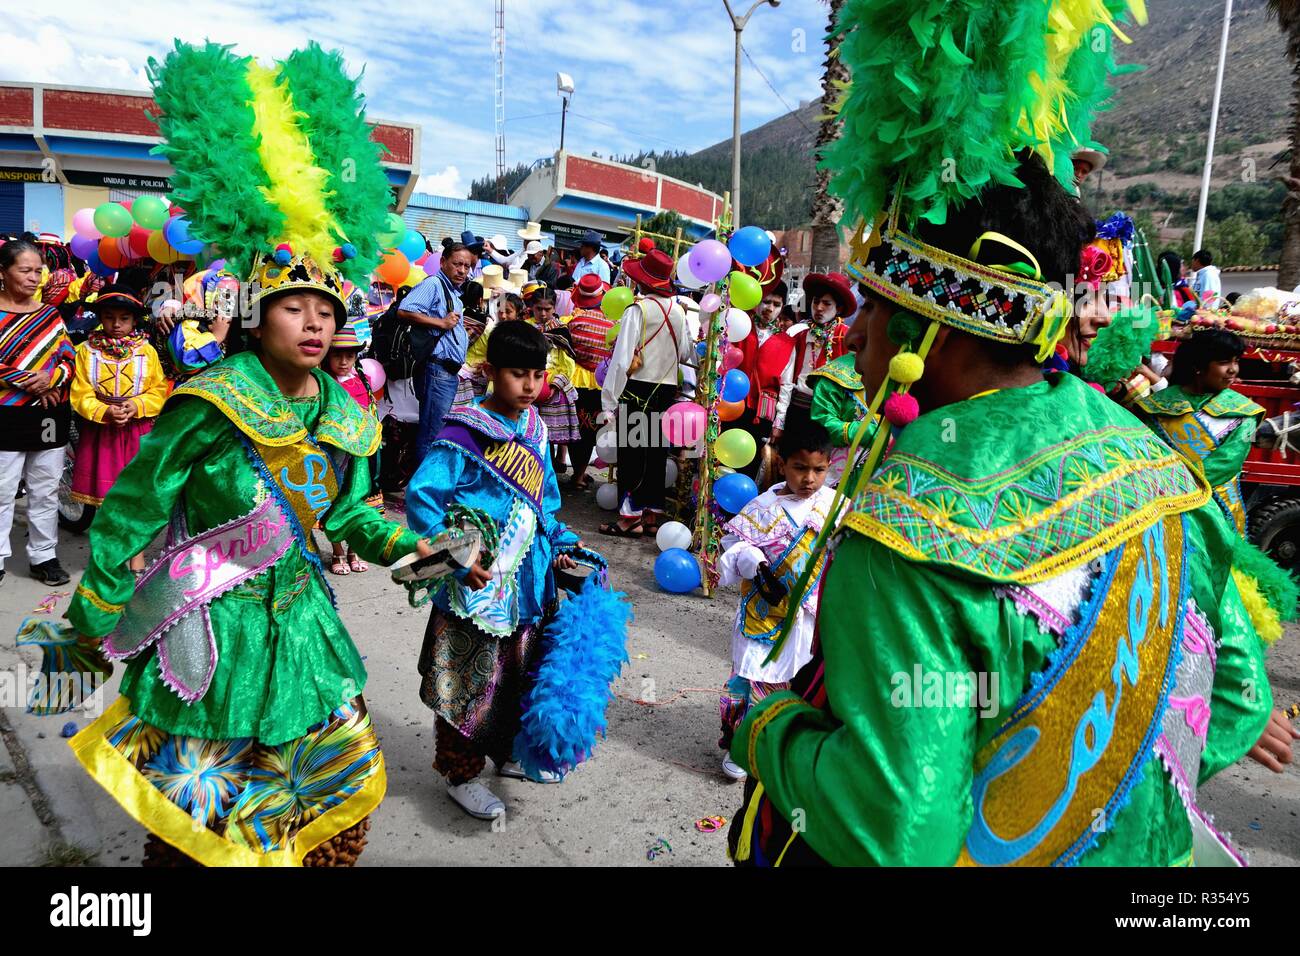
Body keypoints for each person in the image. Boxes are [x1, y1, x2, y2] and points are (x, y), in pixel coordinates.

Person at [727, 0, 1292, 867]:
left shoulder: (913, 529)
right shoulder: (1164, 469)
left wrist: (766, 726)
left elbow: (898, 834)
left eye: (873, 311)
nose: (852, 338)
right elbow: (1234, 701)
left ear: (933, 331)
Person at [60, 40, 438, 867]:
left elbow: (350, 516)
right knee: (197, 831)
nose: (313, 323)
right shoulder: (214, 399)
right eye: (293, 306)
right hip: (212, 627)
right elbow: (135, 506)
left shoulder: (347, 414)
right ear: (256, 315)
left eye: (326, 310)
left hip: (304, 628)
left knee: (333, 811)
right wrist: (98, 608)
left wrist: (417, 548)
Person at [405, 321, 586, 820]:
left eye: (537, 375)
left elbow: (547, 498)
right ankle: (460, 773)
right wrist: (455, 557)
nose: (529, 386)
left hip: (527, 581)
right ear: (489, 372)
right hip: (475, 582)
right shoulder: (464, 430)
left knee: (516, 673)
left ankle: (507, 753)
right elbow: (423, 500)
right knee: (466, 679)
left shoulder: (537, 427)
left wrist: (563, 542)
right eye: (517, 374)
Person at [717, 423, 835, 781]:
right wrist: (754, 561)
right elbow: (733, 544)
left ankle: (785, 746)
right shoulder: (764, 505)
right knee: (753, 675)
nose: (810, 479)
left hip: (810, 616)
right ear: (782, 464)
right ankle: (743, 743)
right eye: (800, 468)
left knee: (801, 680)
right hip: (765, 612)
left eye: (819, 470)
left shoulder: (835, 505)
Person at [68, 285, 167, 573]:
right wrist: (104, 410)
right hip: (103, 431)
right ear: (100, 318)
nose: (116, 325)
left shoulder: (146, 352)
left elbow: (158, 389)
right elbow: (81, 393)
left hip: (137, 430)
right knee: (107, 499)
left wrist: (136, 406)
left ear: (134, 321)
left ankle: (135, 555)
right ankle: (108, 553)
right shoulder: (86, 352)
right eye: (109, 317)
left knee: (135, 497)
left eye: (124, 318)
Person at [599, 248, 693, 537]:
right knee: (654, 454)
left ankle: (630, 518)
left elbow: (621, 359)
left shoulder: (637, 310)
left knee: (633, 456)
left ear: (643, 282)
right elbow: (687, 352)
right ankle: (652, 514)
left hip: (638, 390)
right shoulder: (680, 312)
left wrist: (608, 400)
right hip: (666, 392)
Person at [0, 235, 75, 587]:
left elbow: (69, 358)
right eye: (25, 270)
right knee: (2, 489)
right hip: (7, 416)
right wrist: (26, 381)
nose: (33, 278)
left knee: (45, 489)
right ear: (4, 272)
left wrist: (53, 380)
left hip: (48, 415)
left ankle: (44, 556)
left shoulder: (49, 314)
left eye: (39, 271)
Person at [1136, 329, 1263, 537]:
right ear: (1198, 366)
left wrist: (1175, 488)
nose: (1233, 369)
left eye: (1236, 360)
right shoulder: (1153, 407)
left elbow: (1228, 463)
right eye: (1223, 362)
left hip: (1213, 510)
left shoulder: (1245, 413)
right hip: (1157, 508)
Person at [758, 271, 854, 444]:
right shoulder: (799, 336)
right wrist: (779, 423)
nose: (819, 308)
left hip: (827, 417)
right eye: (816, 301)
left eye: (827, 303)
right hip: (796, 410)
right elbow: (786, 380)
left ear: (839, 308)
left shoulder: (846, 338)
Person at [401, 242, 475, 459]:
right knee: (432, 434)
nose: (462, 270)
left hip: (447, 372)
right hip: (437, 370)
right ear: (443, 263)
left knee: (436, 431)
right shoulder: (434, 284)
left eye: (467, 266)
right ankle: (422, 489)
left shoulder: (452, 292)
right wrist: (441, 323)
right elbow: (405, 311)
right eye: (457, 264)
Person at [323, 320, 385, 574]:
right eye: (338, 355)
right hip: (336, 453)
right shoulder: (323, 382)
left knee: (358, 499)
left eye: (349, 355)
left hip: (362, 454)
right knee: (336, 500)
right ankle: (337, 551)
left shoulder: (362, 379)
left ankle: (354, 549)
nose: (344, 361)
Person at [563, 273, 615, 489]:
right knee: (591, 430)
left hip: (577, 380)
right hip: (602, 384)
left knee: (577, 431)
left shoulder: (573, 322)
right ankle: (580, 474)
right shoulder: (614, 324)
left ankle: (577, 474)